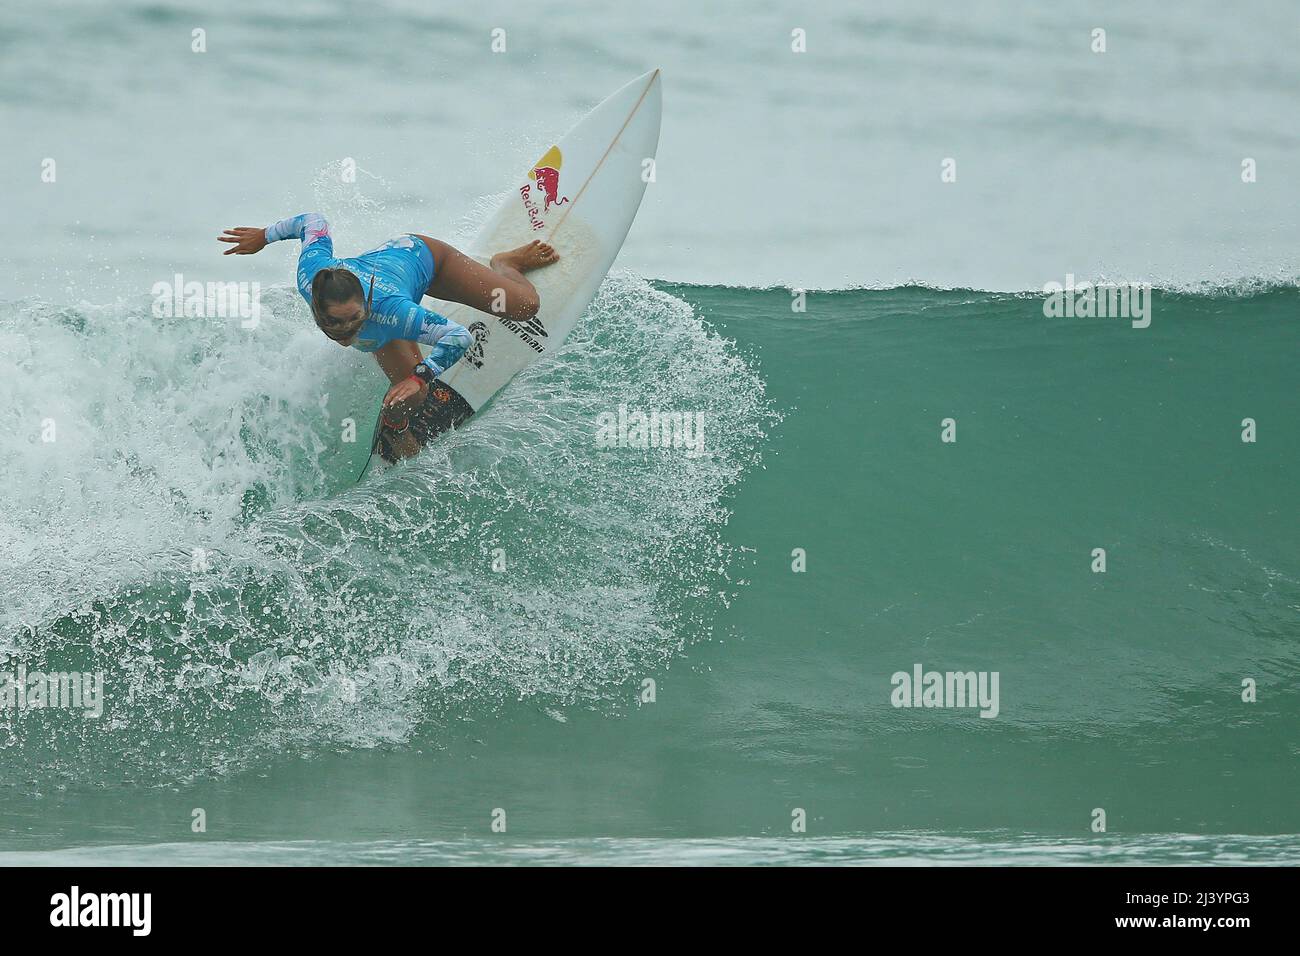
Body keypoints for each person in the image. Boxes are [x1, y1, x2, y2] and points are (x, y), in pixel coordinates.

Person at [218, 213, 558, 459]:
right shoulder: (310, 277)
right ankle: (395, 428)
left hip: (425, 260)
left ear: (364, 305)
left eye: (354, 318)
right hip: (386, 297)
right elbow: (314, 222)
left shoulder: (393, 312)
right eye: (335, 323)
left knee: (526, 307)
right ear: (318, 307)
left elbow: (457, 338)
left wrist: (421, 374)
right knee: (410, 400)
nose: (346, 330)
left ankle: (504, 263)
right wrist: (265, 236)